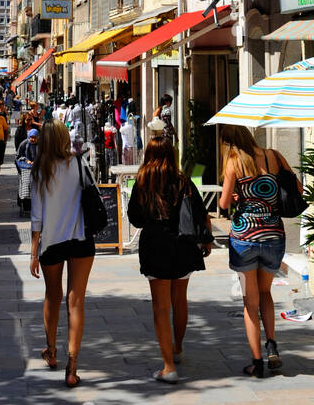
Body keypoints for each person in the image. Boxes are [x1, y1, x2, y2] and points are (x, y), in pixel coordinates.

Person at [127, 136, 213, 383]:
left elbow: (136, 218)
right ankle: (177, 348)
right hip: (183, 245)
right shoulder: (183, 180)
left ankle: (168, 367)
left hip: (156, 246)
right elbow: (200, 212)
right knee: (180, 300)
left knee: (161, 307)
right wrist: (206, 241)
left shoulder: (143, 182)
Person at [219, 125, 301, 378]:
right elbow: (297, 187)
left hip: (244, 238)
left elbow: (222, 204)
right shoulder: (273, 156)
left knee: (249, 302)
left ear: (231, 142)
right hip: (273, 235)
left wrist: (236, 197)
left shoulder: (234, 163)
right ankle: (272, 345)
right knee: (266, 292)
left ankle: (257, 362)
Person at [29, 121, 95, 388]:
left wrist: (33, 253)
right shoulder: (79, 164)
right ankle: (73, 366)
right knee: (76, 301)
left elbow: (36, 219)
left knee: (52, 295)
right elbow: (94, 195)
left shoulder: (39, 171)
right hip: (80, 238)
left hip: (52, 242)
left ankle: (51, 350)